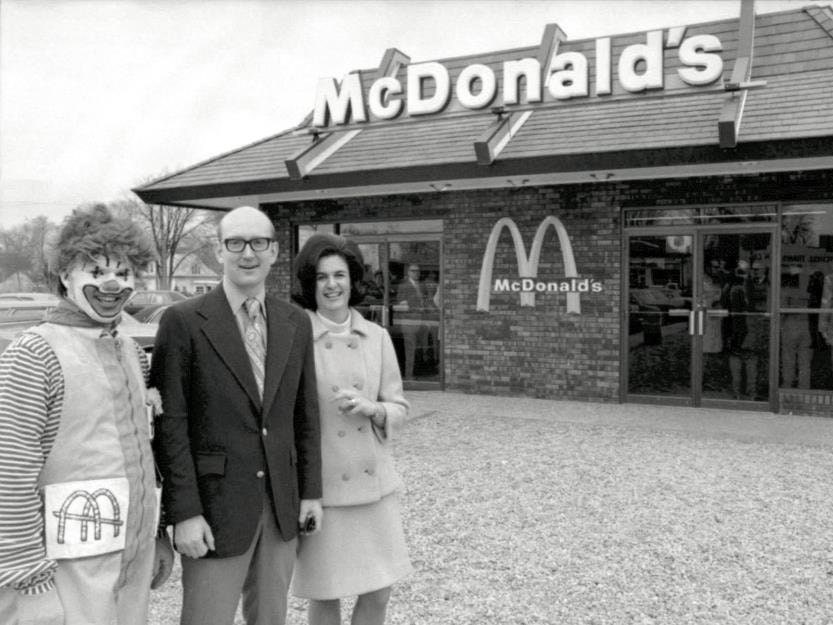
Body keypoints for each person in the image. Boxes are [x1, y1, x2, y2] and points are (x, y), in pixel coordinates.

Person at [0, 203, 174, 625]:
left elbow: (145, 454)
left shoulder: (133, 353)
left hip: (127, 566)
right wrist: (30, 582)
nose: (112, 283)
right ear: (64, 275)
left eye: (125, 272)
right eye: (96, 272)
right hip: (61, 578)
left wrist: (157, 534)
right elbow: (9, 474)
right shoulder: (34, 352)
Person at [150, 205, 322, 625]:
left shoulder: (295, 321)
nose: (248, 253)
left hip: (280, 505)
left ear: (275, 251)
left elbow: (306, 414)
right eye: (236, 243)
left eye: (259, 243)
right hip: (213, 510)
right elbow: (170, 427)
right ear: (219, 250)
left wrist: (310, 493)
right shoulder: (183, 321)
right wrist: (184, 513)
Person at [290, 233, 412, 625]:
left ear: (352, 279)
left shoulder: (376, 337)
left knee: (379, 590)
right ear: (310, 284)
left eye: (339, 275)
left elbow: (398, 405)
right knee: (326, 592)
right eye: (321, 277)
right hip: (322, 488)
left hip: (374, 487)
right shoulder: (294, 337)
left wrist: (374, 409)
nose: (331, 285)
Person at [393, 263, 427, 379]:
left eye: (418, 271)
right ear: (408, 272)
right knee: (409, 348)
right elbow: (400, 302)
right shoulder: (404, 286)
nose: (416, 273)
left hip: (420, 319)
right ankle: (408, 375)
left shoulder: (422, 285)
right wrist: (412, 305)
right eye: (413, 271)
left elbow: (425, 300)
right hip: (408, 320)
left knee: (418, 347)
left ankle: (415, 372)